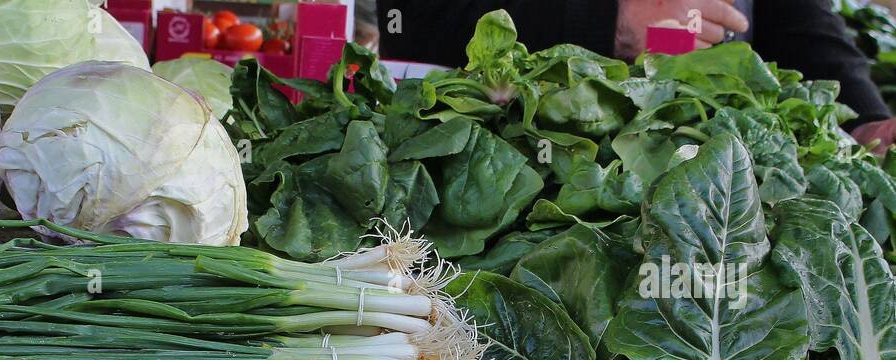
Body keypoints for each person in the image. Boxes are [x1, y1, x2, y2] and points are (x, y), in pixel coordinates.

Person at [377, 0, 896, 152]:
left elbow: (795, 18)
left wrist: (865, 119)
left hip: (708, 181)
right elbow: (411, 18)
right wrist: (614, 23)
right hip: (511, 165)